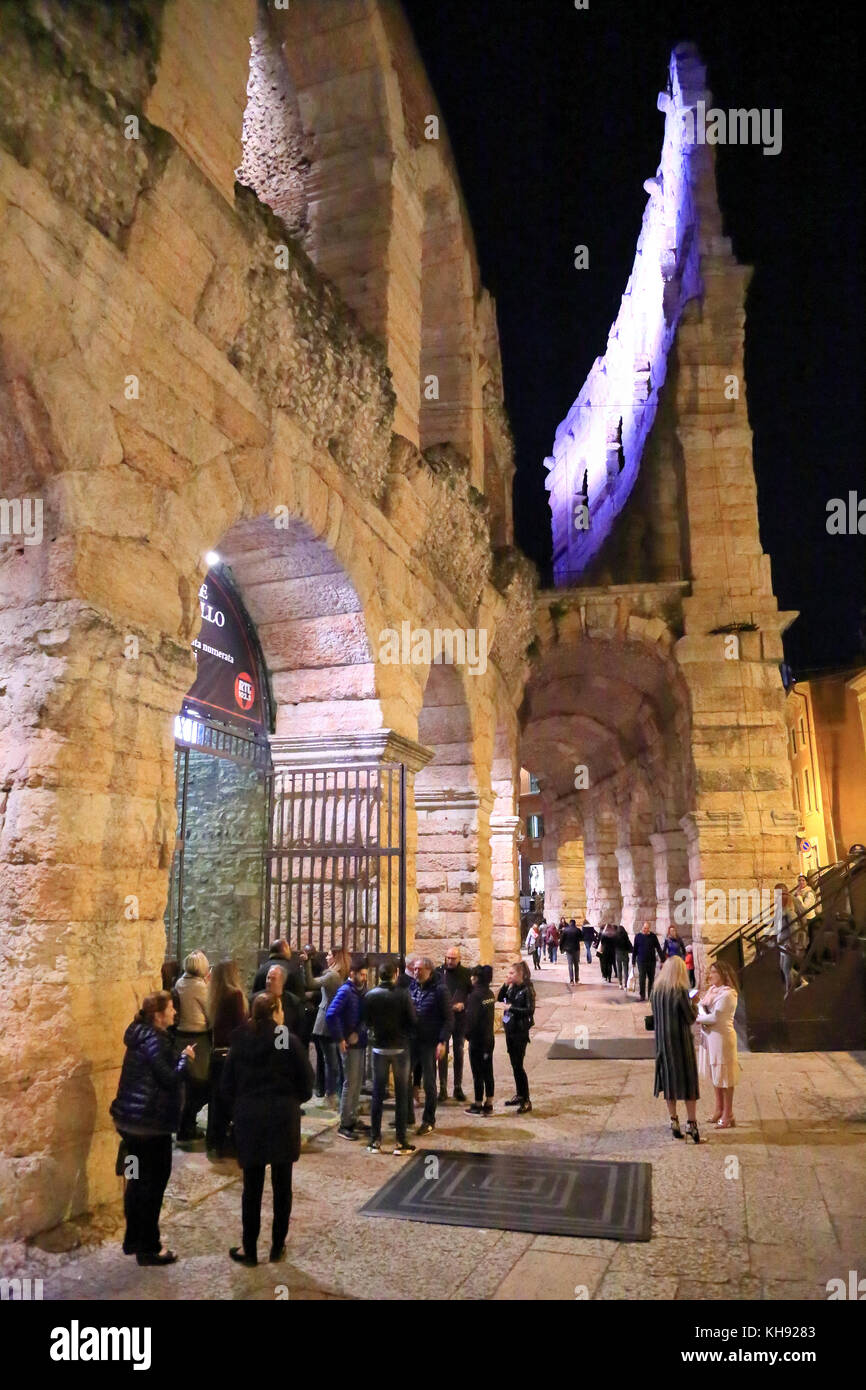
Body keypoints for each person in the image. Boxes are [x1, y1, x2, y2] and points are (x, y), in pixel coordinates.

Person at [222, 992, 313, 1266]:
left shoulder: (240, 1039)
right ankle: (277, 1246)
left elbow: (227, 1085)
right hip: (282, 1119)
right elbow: (307, 1083)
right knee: (282, 1187)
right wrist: (292, 1099)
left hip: (250, 1119)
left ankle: (249, 1250)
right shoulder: (286, 1038)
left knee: (252, 1188)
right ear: (276, 1011)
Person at [110, 990, 195, 1265]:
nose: (174, 1013)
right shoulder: (156, 1041)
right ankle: (149, 1247)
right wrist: (186, 1059)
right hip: (149, 1128)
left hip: (129, 1124)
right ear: (158, 1015)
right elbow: (170, 1080)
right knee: (153, 1185)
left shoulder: (139, 1036)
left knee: (135, 1182)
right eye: (171, 1009)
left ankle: (133, 1240)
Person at [363, 961, 417, 1155]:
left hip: (379, 1048)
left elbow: (367, 1021)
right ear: (395, 974)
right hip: (400, 1048)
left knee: (378, 1093)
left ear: (379, 975)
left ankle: (375, 1140)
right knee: (402, 1094)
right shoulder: (403, 994)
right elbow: (412, 1020)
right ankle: (401, 1141)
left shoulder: (370, 995)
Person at [652, 956, 700, 1143]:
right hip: (680, 1043)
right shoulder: (680, 991)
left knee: (670, 1083)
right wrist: (694, 1002)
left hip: (663, 1043)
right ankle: (692, 1124)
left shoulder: (656, 992)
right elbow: (689, 1018)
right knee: (689, 1083)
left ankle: (674, 1121)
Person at [206, 960, 248, 1155]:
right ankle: (229, 1142)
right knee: (231, 1100)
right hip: (230, 1054)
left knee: (216, 1100)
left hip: (216, 1053)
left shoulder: (215, 995)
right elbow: (239, 1027)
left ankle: (214, 1140)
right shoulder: (235, 994)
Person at [408, 957, 453, 1135]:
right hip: (412, 1040)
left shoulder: (440, 990)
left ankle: (428, 1120)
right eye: (414, 969)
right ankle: (407, 1116)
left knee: (429, 1082)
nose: (416, 972)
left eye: (419, 969)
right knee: (405, 1078)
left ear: (429, 970)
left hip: (429, 1042)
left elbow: (449, 1019)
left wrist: (442, 1041)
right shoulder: (412, 987)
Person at [326, 957, 368, 1140]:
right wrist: (340, 1037)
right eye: (362, 974)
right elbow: (331, 1014)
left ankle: (352, 1117)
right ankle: (344, 1123)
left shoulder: (359, 991)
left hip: (360, 1042)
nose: (364, 978)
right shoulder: (345, 991)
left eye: (365, 975)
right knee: (350, 1082)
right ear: (352, 974)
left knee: (357, 1082)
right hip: (350, 1044)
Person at [696, 959, 740, 1128]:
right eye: (711, 972)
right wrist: (700, 1012)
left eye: (714, 972)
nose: (711, 975)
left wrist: (698, 1018)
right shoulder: (712, 991)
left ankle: (728, 1114)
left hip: (722, 1039)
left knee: (725, 1076)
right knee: (716, 1074)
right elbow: (701, 1005)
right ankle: (719, 1109)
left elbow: (716, 1017)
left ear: (723, 974)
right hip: (710, 1037)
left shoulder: (728, 994)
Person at [175, 950, 212, 1142]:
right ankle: (187, 1124)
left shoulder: (180, 983)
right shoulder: (200, 987)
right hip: (199, 1038)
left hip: (180, 1036)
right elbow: (211, 1014)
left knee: (186, 1083)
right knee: (202, 1083)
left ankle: (184, 1122)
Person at [309, 946, 350, 1109]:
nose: (326, 957)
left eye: (329, 955)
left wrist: (305, 965)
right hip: (337, 1023)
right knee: (336, 1062)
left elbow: (311, 983)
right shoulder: (343, 976)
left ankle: (331, 1095)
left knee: (331, 1062)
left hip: (326, 1022)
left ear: (336, 958)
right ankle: (337, 1094)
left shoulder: (331, 975)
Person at [496, 960, 535, 1114]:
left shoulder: (527, 989)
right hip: (510, 1030)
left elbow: (529, 1010)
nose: (509, 975)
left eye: (512, 973)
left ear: (521, 974)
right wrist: (505, 985)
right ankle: (519, 1094)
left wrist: (511, 1007)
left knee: (519, 1066)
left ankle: (526, 1100)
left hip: (520, 1031)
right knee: (514, 1065)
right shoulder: (512, 988)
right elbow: (500, 999)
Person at [437, 946, 472, 1103]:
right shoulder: (438, 973)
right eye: (448, 958)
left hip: (459, 1019)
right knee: (442, 1053)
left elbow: (471, 994)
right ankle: (443, 1087)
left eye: (453, 958)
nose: (450, 961)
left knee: (458, 1051)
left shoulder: (466, 973)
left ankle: (457, 1087)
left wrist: (463, 1004)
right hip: (443, 1019)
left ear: (459, 959)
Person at [464, 965, 495, 1115]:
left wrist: (467, 1035)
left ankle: (477, 1103)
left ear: (476, 978)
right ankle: (489, 1102)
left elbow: (472, 1019)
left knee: (478, 1073)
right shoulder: (489, 994)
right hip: (489, 1038)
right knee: (488, 1070)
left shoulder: (475, 996)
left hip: (478, 1040)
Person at [774, 883, 800, 998]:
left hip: (789, 944)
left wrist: (793, 943)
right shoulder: (781, 910)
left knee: (786, 968)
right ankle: (802, 979)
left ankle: (789, 991)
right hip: (783, 942)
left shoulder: (790, 912)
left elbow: (794, 928)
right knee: (783, 966)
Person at [264, 962, 300, 1035]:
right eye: (268, 978)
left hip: (285, 1043)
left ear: (282, 981)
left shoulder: (294, 1002)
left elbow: (300, 1030)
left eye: (273, 979)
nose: (268, 981)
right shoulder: (257, 1000)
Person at [632, 921, 664, 1002]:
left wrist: (663, 959)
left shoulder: (653, 936)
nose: (645, 929)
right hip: (641, 961)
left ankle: (650, 995)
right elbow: (635, 949)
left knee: (651, 978)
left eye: (646, 928)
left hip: (651, 961)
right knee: (642, 978)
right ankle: (642, 995)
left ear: (649, 928)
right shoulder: (638, 936)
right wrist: (633, 961)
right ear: (642, 927)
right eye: (644, 928)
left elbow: (658, 948)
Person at [559, 917, 582, 986]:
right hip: (576, 949)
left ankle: (571, 980)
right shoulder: (578, 930)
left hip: (568, 950)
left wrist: (561, 948)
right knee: (576, 965)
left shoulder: (565, 930)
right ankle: (577, 979)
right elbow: (581, 938)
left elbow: (562, 940)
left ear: (570, 923)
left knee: (570, 965)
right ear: (575, 923)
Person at [614, 924, 632, 988]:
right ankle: (625, 984)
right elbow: (629, 945)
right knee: (626, 970)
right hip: (625, 954)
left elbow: (614, 946)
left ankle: (620, 984)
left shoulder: (616, 937)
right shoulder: (626, 937)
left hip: (618, 954)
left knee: (619, 969)